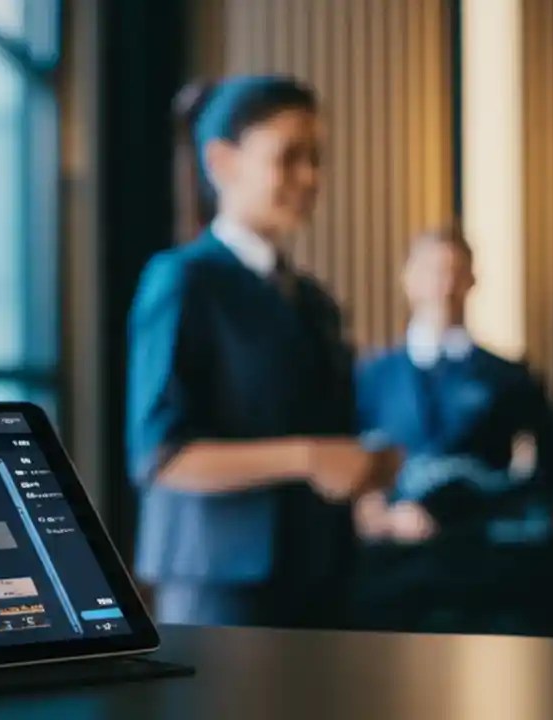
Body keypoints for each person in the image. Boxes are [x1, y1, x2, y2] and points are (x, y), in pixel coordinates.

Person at [125, 75, 401, 628]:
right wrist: (309, 457)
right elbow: (161, 455)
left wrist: (367, 467)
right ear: (223, 161)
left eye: (316, 158)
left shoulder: (314, 303)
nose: (310, 177)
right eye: (290, 157)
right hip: (223, 586)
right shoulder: (183, 281)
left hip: (325, 576)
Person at [353, 227, 553, 543]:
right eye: (433, 272)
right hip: (390, 554)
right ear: (409, 280)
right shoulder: (372, 376)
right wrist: (377, 513)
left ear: (472, 281)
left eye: (455, 272)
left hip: (480, 551)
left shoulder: (509, 377)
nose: (445, 286)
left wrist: (486, 510)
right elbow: (348, 459)